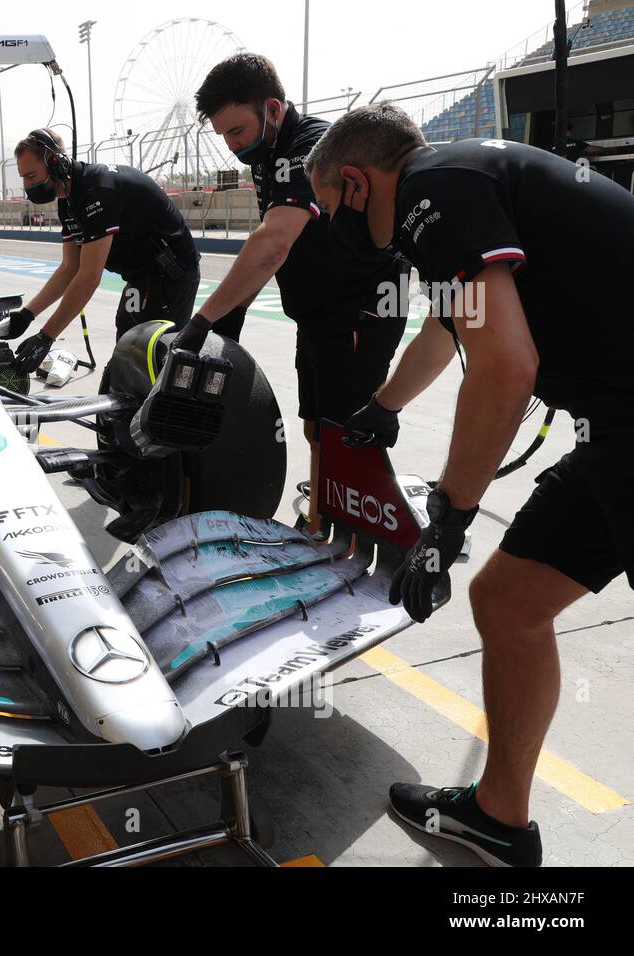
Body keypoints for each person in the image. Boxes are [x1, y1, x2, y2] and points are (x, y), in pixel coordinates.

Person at [305, 102, 634, 867]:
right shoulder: (462, 177)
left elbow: (504, 366)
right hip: (618, 430)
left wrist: (448, 520)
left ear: (356, 182)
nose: (335, 228)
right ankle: (499, 817)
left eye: (330, 210)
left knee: (503, 596)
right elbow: (451, 326)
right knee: (510, 602)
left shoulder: (432, 192)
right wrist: (381, 409)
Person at [178, 54, 406, 536]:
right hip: (320, 310)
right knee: (316, 426)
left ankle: (351, 536)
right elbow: (276, 250)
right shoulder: (267, 159)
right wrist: (233, 313)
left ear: (274, 108)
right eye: (223, 136)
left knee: (348, 430)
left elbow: (272, 244)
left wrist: (203, 320)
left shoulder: (311, 147)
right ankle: (324, 521)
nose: (232, 145)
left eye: (237, 130)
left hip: (364, 305)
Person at [5, 129, 202, 374]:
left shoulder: (97, 192)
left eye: (32, 176)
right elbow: (70, 268)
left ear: (56, 164)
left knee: (150, 361)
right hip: (141, 277)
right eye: (24, 178)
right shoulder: (68, 201)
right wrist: (27, 314)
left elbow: (88, 277)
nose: (28, 186)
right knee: (126, 349)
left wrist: (46, 337)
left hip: (171, 276)